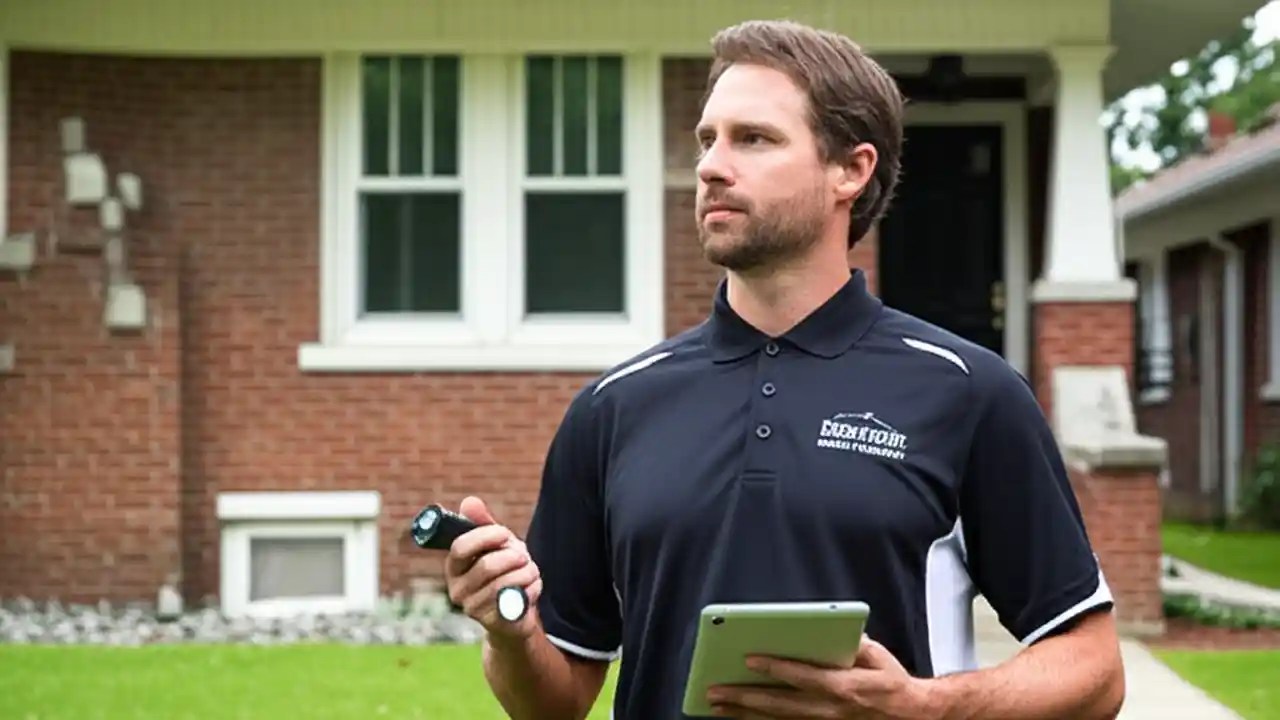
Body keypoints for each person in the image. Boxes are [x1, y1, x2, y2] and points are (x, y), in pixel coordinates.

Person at [444, 18, 1126, 720]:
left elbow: (1094, 669)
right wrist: (514, 633)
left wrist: (924, 707)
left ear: (850, 171)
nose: (711, 165)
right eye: (708, 139)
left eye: (755, 139)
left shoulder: (969, 393)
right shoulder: (613, 408)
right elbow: (555, 703)